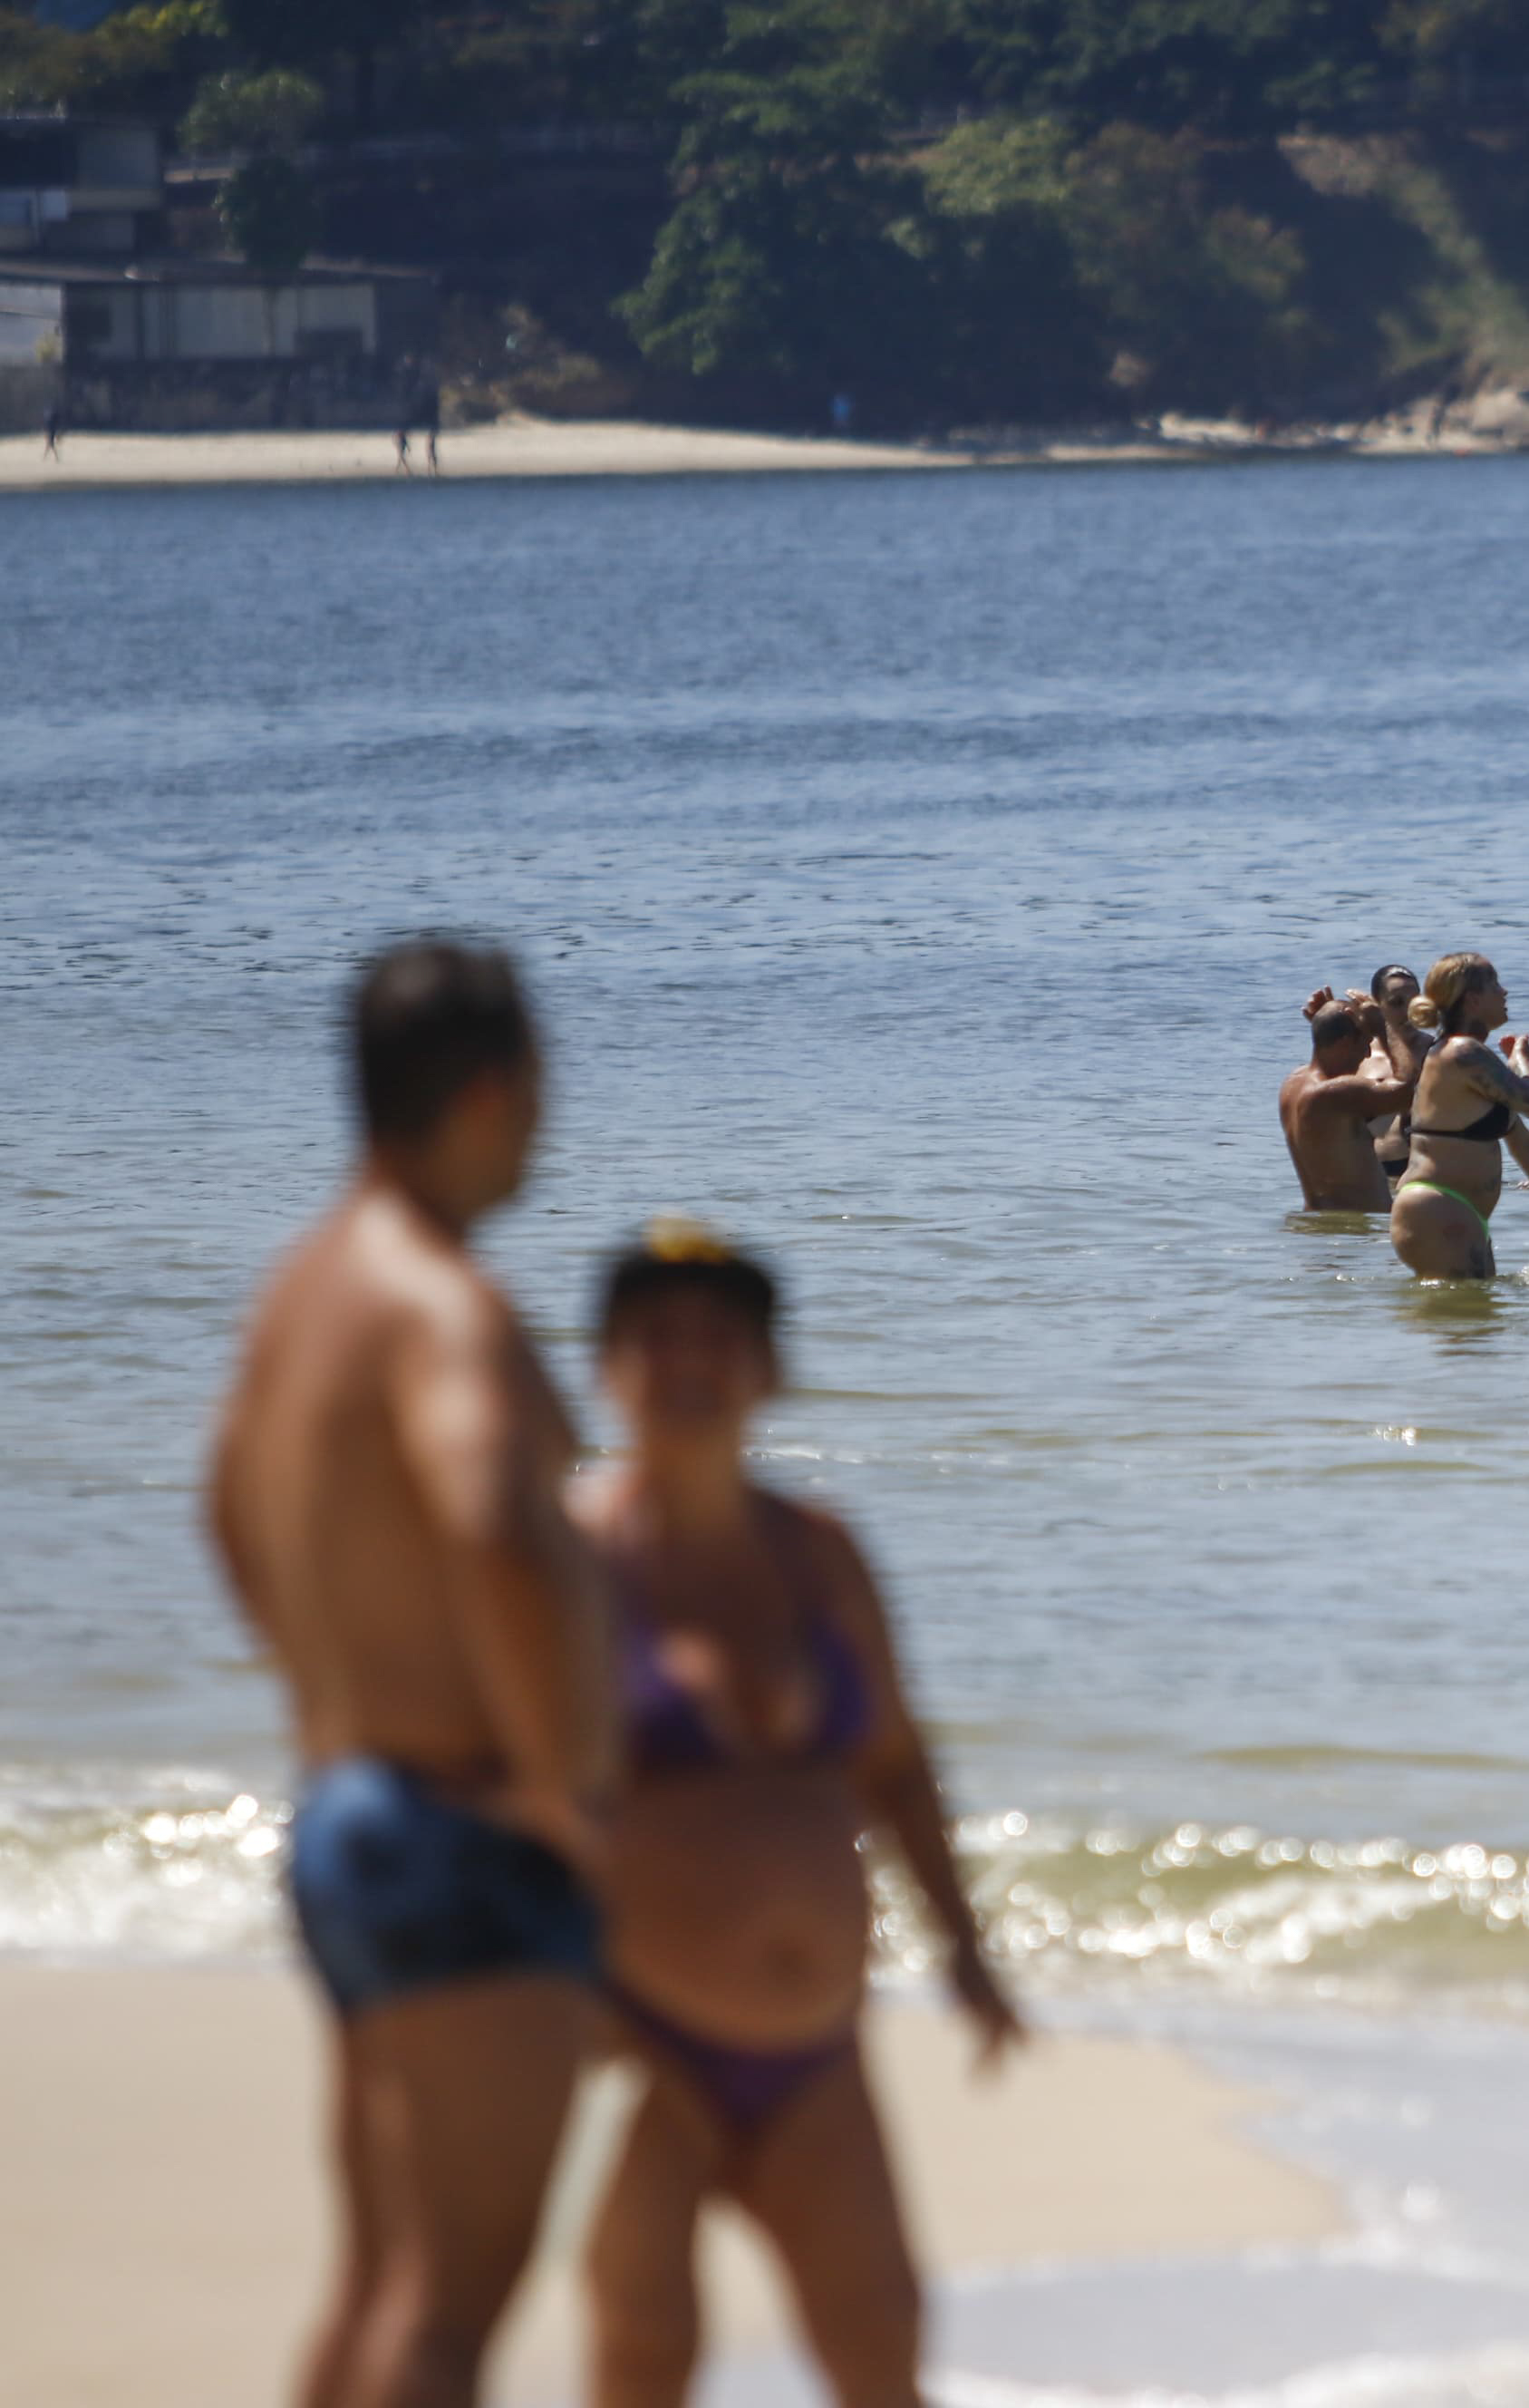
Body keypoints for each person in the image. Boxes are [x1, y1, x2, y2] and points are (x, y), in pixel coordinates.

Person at [204, 939, 615, 2408]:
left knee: (380, 2281)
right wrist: (559, 1784)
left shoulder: (301, 1291)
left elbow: (226, 1501)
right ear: (499, 1090)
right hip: (463, 1830)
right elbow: (495, 1525)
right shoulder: (442, 1305)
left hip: (351, 1812)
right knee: (449, 2308)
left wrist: (335, 1682)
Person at [574, 1221, 1021, 2408]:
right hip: (641, 2049)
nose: (687, 1361)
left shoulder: (820, 1554)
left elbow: (895, 1766)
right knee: (640, 2362)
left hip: (815, 2055)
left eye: (719, 1337)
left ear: (769, 1369)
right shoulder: (572, 1563)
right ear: (605, 1365)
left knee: (880, 2354)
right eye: (654, 1336)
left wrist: (967, 1952)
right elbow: (496, 1801)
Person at [1387, 952, 1529, 1279]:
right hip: (1436, 1208)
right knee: (1466, 1325)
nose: (1504, 993)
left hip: (1460, 1213)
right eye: (1495, 985)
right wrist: (1520, 1061)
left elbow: (1528, 1150)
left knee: (1481, 1324)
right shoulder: (1462, 1053)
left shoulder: (1472, 1062)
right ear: (1473, 999)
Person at [1282, 989, 1413, 1211]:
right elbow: (1407, 1090)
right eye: (1365, 1042)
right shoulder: (1337, 1093)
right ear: (1344, 1043)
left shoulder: (1292, 1084)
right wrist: (1385, 1029)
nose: (1368, 1055)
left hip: (1323, 1225)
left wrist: (1331, 1018)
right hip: (1353, 1234)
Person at [1364, 964, 1433, 1189]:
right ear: (1377, 1006)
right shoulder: (1361, 1057)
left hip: (1427, 1173)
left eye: (1413, 1002)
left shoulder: (1436, 1051)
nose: (1407, 1012)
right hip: (1374, 1177)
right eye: (1396, 1003)